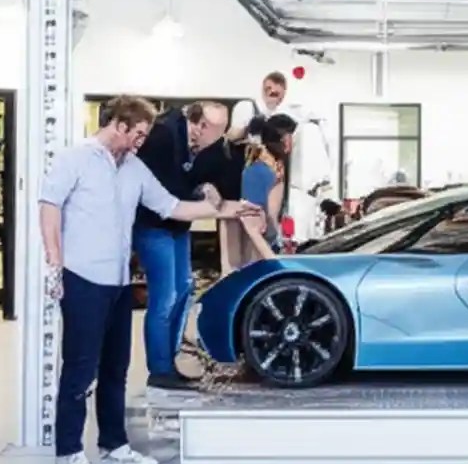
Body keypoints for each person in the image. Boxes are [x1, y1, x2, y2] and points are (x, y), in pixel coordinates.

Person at [39, 95, 251, 464]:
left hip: (119, 282)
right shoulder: (75, 159)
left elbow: (172, 207)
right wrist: (54, 261)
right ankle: (68, 456)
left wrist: (227, 210)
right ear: (119, 125)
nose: (141, 142)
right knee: (80, 371)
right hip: (82, 278)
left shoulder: (133, 168)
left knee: (116, 368)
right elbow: (49, 206)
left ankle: (113, 445)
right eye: (137, 134)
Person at [132, 100, 248, 391]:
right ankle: (159, 368)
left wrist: (203, 187)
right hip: (153, 224)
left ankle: (171, 360)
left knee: (185, 288)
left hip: (177, 226)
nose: (219, 139)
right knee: (165, 295)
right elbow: (164, 189)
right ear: (201, 125)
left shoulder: (194, 144)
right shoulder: (163, 137)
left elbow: (191, 180)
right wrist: (205, 201)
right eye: (218, 131)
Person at [232, 71, 337, 241]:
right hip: (258, 173)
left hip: (282, 176)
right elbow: (232, 136)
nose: (274, 97)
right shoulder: (248, 109)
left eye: (278, 94)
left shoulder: (293, 121)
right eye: (271, 92)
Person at [241, 114, 298, 252]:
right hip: (259, 250)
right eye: (289, 137)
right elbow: (253, 221)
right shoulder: (258, 171)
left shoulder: (276, 168)